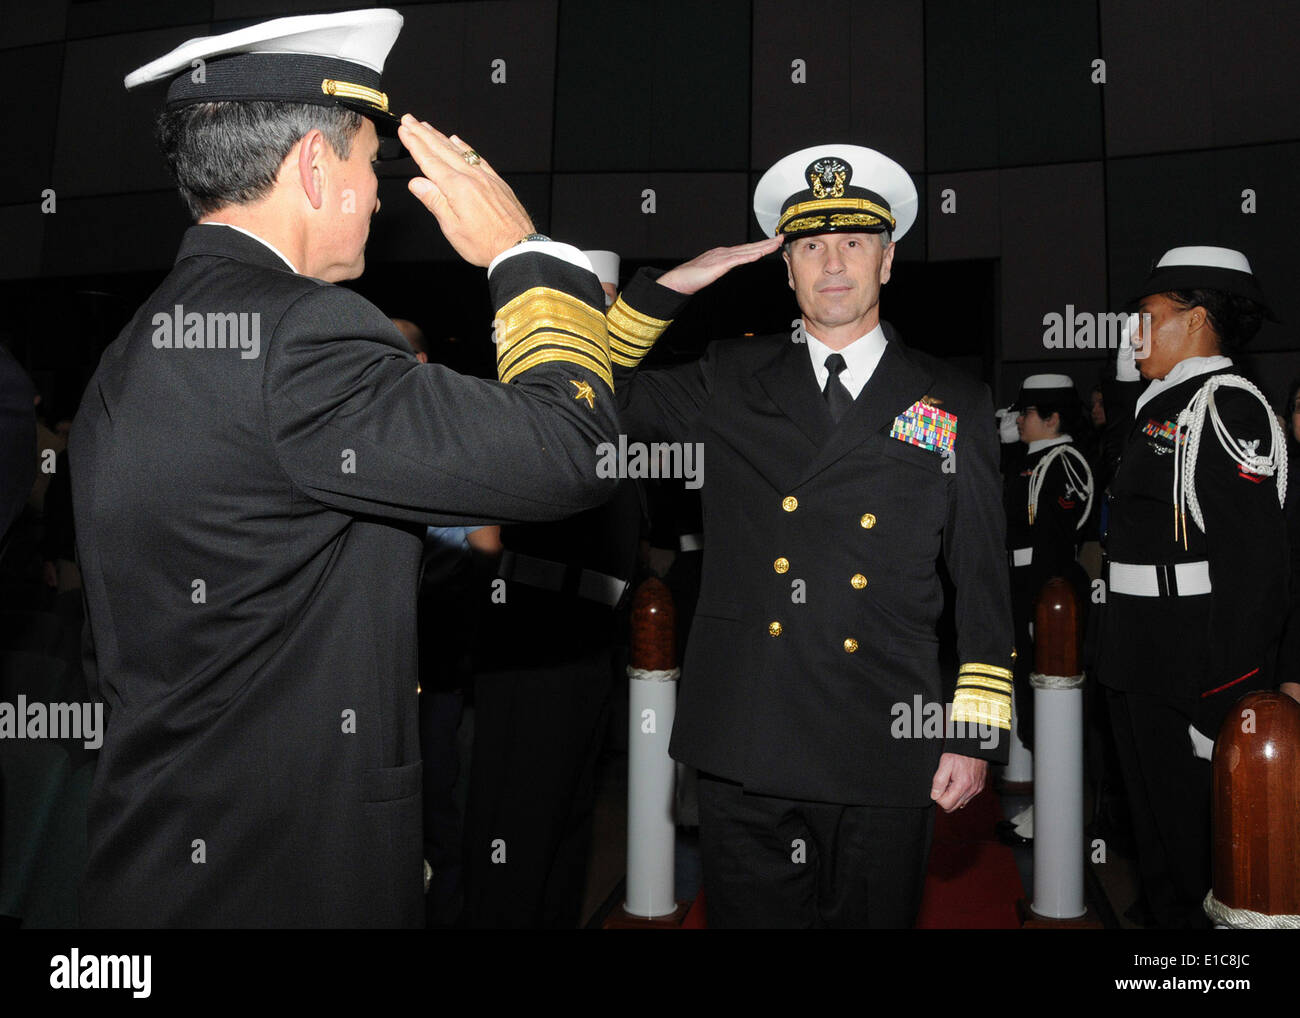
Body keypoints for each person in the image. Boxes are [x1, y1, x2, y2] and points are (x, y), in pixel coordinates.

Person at [69, 9, 618, 928]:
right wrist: (523, 255)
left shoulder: (136, 346)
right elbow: (574, 448)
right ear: (316, 168)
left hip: (159, 854)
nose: (378, 198)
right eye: (370, 165)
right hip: (285, 875)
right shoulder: (303, 333)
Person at [608, 144, 1014, 928]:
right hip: (747, 734)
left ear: (887, 260)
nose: (833, 263)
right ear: (786, 268)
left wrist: (973, 732)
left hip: (885, 731)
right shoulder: (731, 376)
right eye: (811, 246)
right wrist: (667, 288)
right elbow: (592, 393)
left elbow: (981, 574)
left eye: (854, 242)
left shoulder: (950, 397)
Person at [1096, 246, 1289, 928]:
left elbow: (1256, 571)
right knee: (1157, 857)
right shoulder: (1165, 400)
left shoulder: (1227, 406)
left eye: (1147, 315)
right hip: (1136, 656)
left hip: (1187, 670)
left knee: (1195, 863)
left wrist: (1224, 700)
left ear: (1197, 318)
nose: (1133, 331)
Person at [1004, 373, 1093, 746]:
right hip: (1018, 580)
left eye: (1026, 412)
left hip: (1044, 583)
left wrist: (1036, 606)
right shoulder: (1030, 459)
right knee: (1023, 689)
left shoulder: (1064, 462)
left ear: (1052, 418)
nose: (1018, 420)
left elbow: (1053, 541)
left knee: (1046, 693)